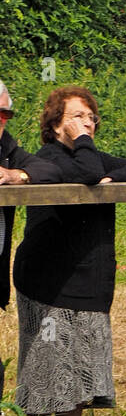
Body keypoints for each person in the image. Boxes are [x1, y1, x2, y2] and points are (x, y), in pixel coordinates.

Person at [14, 86, 126, 416]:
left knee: (78, 371)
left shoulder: (90, 158)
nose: (87, 123)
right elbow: (89, 171)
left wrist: (110, 179)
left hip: (91, 284)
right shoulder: (48, 159)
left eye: (91, 117)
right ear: (55, 123)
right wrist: (90, 155)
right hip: (48, 283)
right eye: (77, 116)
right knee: (46, 369)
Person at [0, 78, 59, 399]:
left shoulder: (7, 150)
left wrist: (16, 175)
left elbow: (50, 169)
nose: (1, 122)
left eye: (5, 115)